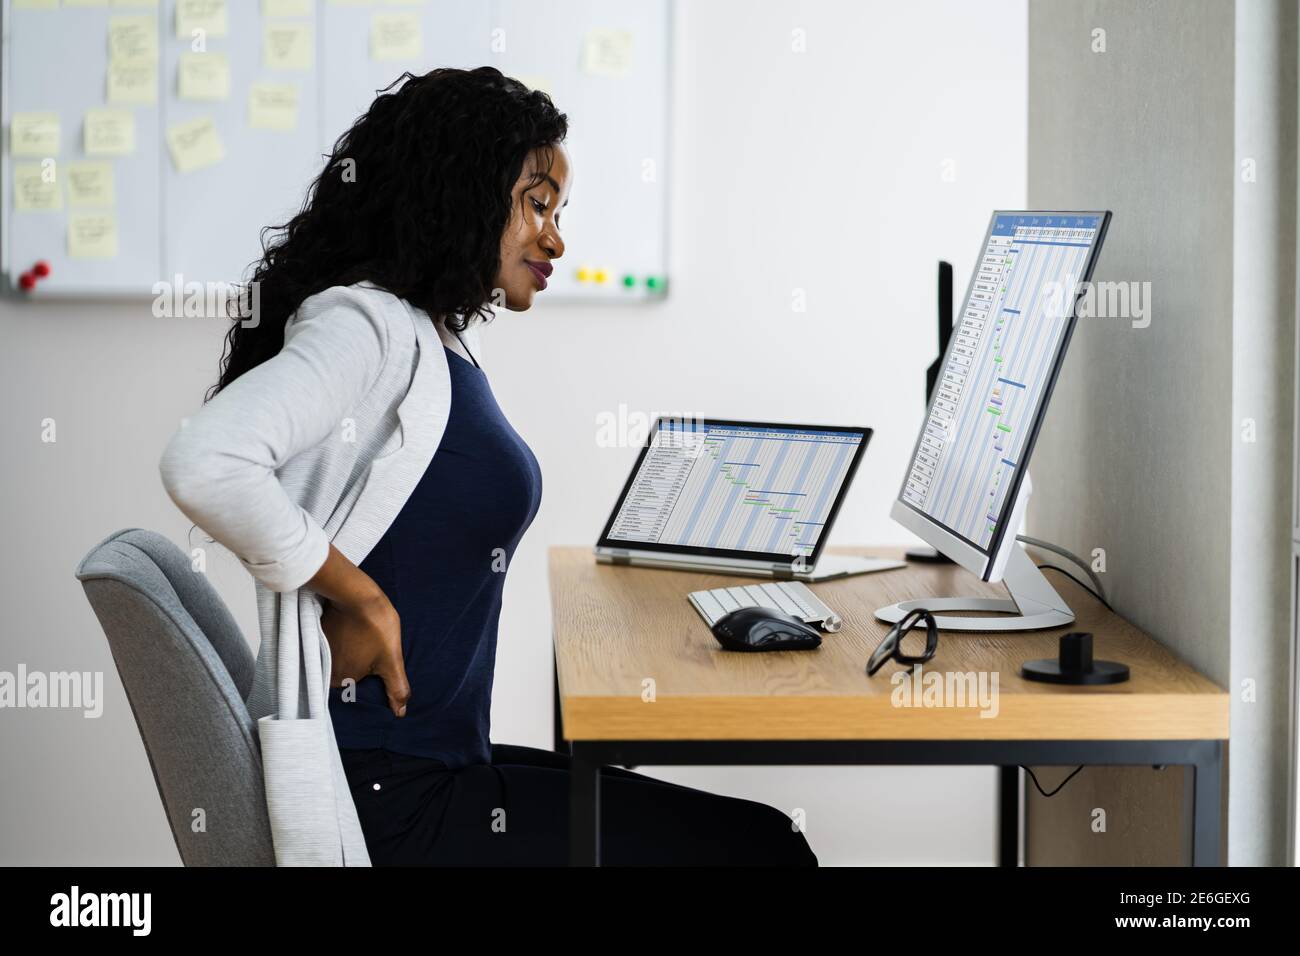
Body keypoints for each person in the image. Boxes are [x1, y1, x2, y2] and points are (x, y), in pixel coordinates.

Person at [164, 66, 816, 867]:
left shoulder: (427, 337)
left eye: (558, 212)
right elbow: (206, 460)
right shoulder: (365, 325)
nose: (555, 237)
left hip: (435, 769)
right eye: (535, 205)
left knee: (739, 832)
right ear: (462, 192)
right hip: (391, 801)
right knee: (764, 851)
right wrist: (359, 595)